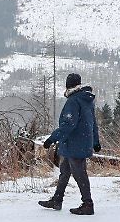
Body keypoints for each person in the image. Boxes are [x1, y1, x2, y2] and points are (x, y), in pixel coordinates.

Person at [41, 73, 100, 214]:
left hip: (74, 143)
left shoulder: (73, 101)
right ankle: (57, 199)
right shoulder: (86, 100)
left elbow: (68, 124)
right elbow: (93, 123)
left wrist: (52, 139)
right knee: (65, 171)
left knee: (79, 173)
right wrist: (96, 142)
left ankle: (88, 204)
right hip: (79, 142)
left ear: (68, 86)